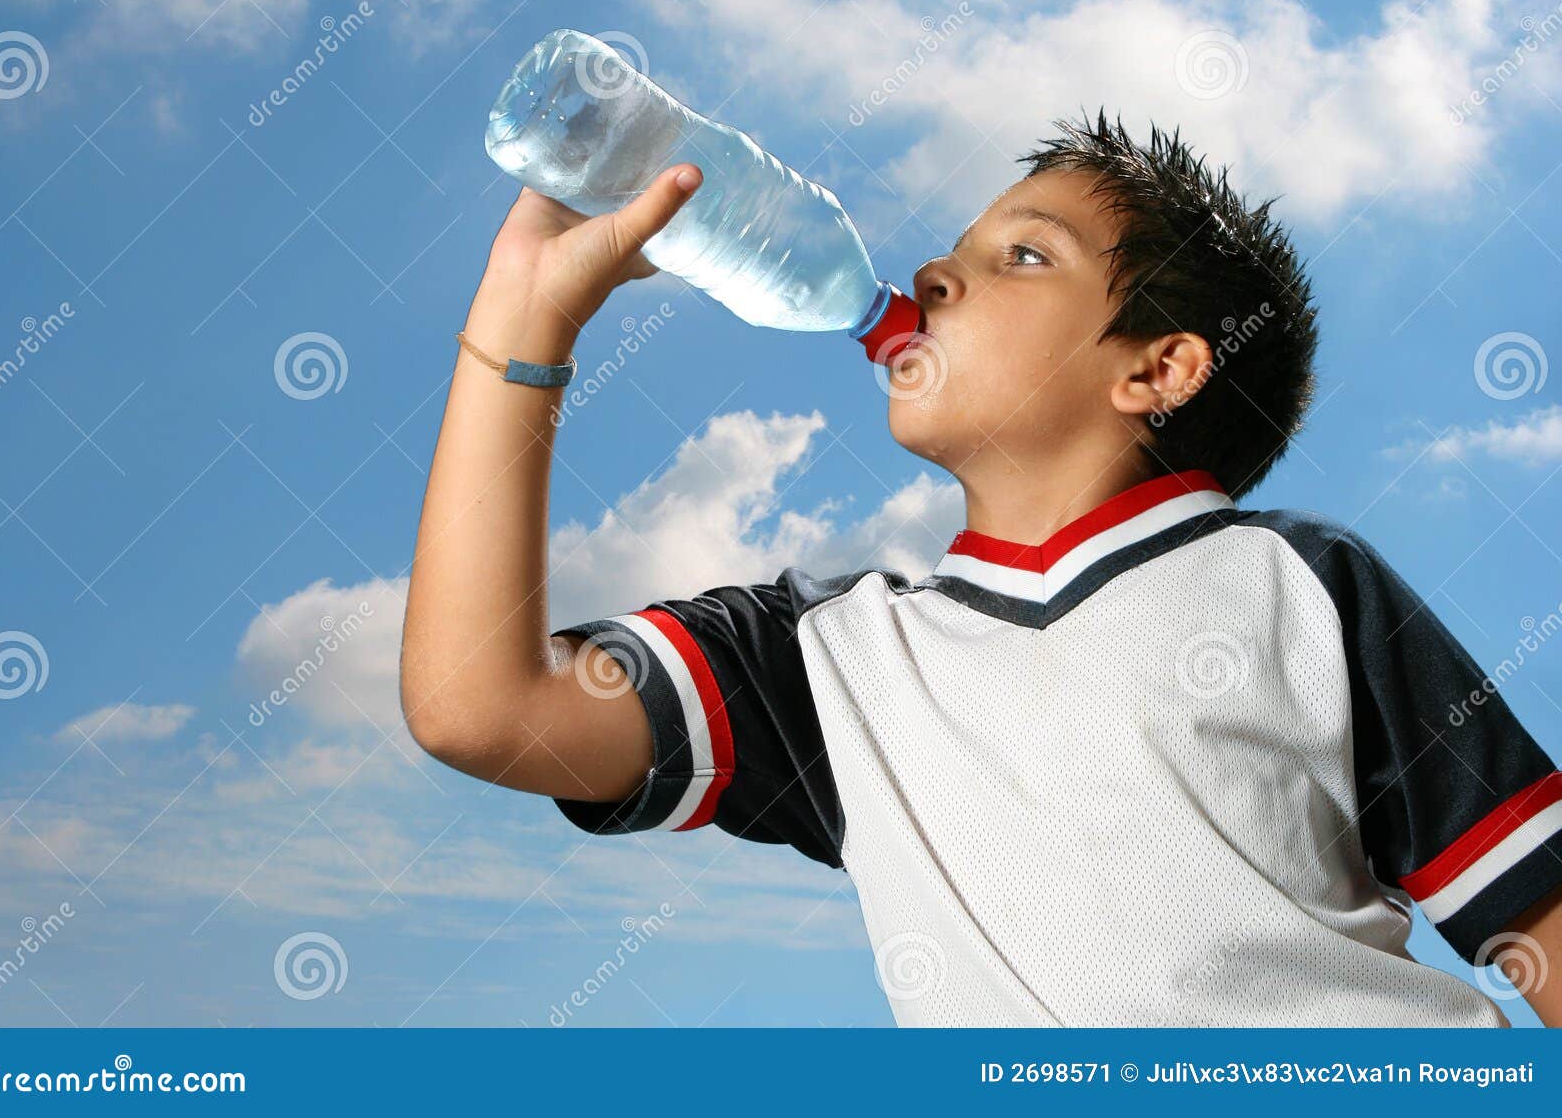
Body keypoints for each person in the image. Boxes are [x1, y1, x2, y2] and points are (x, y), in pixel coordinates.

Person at [400, 110, 1562, 1026]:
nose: (934, 275)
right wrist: (524, 315)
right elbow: (479, 707)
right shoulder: (831, 663)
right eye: (952, 253)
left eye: (1021, 253)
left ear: (1158, 371)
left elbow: (1541, 929)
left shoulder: (1299, 584)